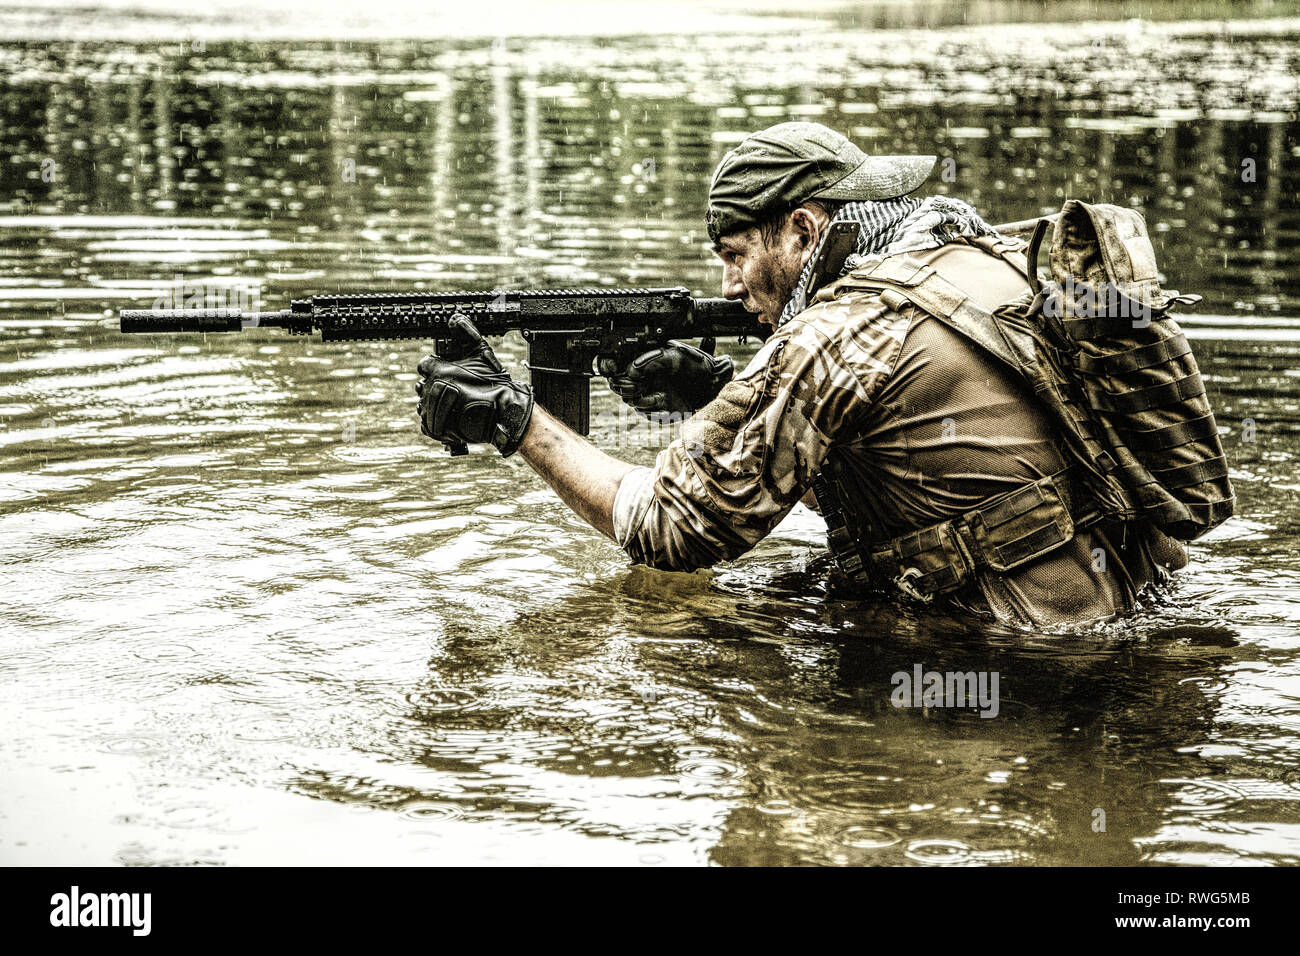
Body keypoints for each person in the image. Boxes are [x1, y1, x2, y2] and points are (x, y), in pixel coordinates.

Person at [414, 121, 1188, 629]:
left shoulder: (835, 335)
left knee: (684, 628)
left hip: (1029, 659)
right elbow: (912, 472)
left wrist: (517, 422)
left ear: (804, 230)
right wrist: (715, 388)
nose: (726, 288)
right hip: (1127, 604)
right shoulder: (977, 257)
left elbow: (671, 528)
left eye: (734, 255)